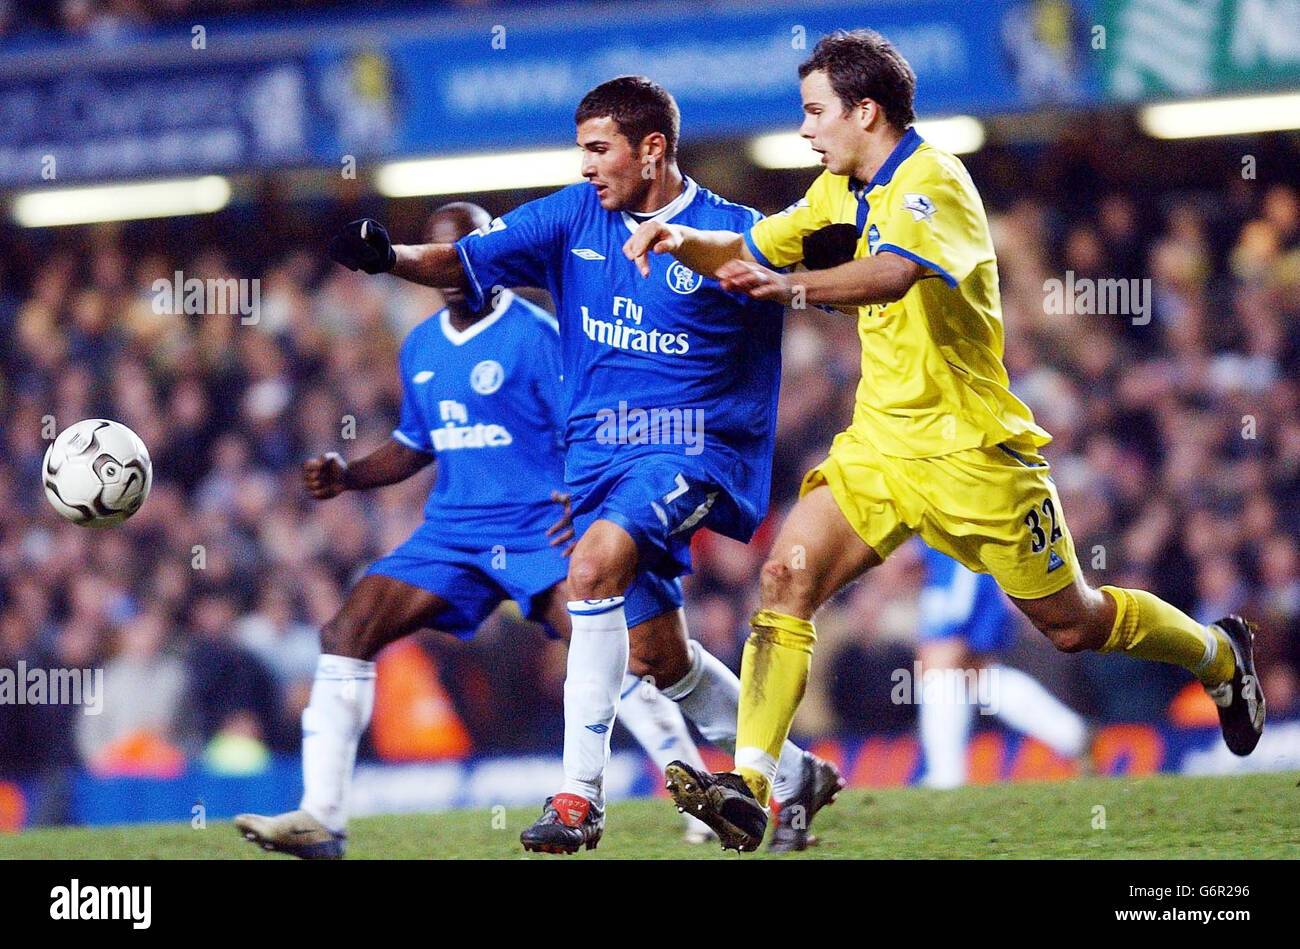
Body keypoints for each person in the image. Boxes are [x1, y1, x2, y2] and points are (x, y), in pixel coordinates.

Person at [624, 28, 1265, 851]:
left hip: (975, 456)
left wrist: (794, 287)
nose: (806, 130)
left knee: (1073, 620)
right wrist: (685, 241)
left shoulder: (936, 181)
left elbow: (895, 271)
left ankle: (1218, 654)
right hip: (881, 449)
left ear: (866, 110)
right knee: (785, 577)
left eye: (817, 112)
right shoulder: (835, 191)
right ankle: (754, 785)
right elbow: (747, 249)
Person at [326, 77, 843, 854]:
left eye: (599, 149)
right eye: (582, 151)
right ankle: (794, 772)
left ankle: (579, 797)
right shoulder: (571, 217)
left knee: (592, 568)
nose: (587, 166)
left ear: (652, 149)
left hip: (689, 447)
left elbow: (824, 283)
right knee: (657, 656)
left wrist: (830, 278)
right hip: (598, 456)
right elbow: (466, 261)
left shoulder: (733, 232)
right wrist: (387, 256)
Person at [234, 202, 715, 858]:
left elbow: (590, 423)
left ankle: (700, 794)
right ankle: (321, 817)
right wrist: (349, 475)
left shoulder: (540, 334)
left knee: (618, 651)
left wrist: (589, 496)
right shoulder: (422, 347)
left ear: (492, 254)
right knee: (347, 628)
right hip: (452, 533)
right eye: (441, 256)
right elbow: (413, 445)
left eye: (467, 252)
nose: (455, 269)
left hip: (537, 531)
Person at [912, 543, 1091, 787]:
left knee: (938, 663)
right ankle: (1071, 733)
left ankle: (945, 776)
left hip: (963, 562)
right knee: (974, 673)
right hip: (965, 562)